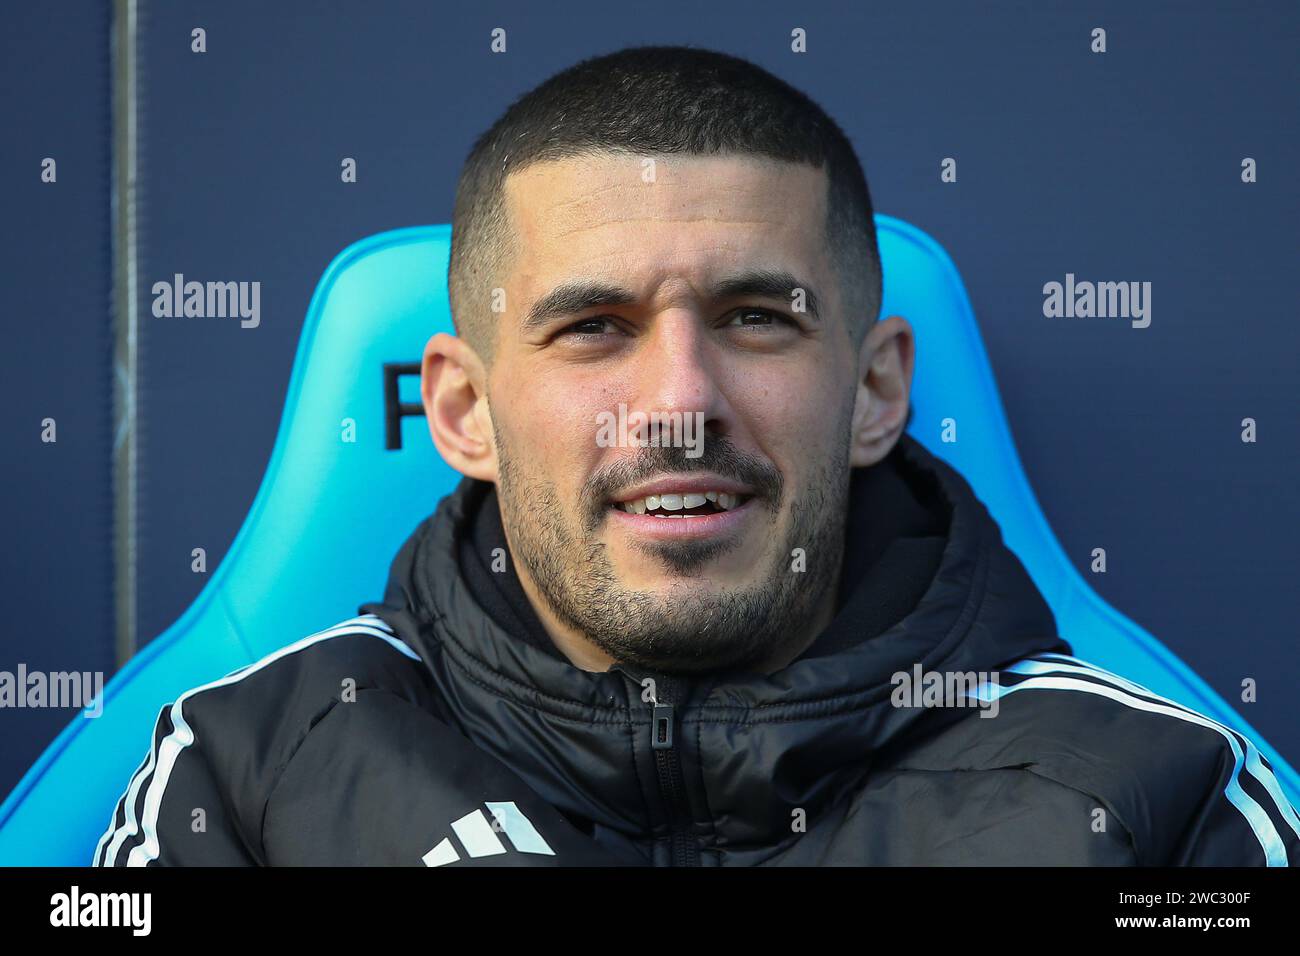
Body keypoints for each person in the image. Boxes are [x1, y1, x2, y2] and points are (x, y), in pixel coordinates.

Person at [94, 45, 1299, 867]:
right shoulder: (249, 775)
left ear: (876, 390)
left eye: (755, 319)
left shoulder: (1153, 797)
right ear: (460, 409)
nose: (678, 404)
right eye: (593, 328)